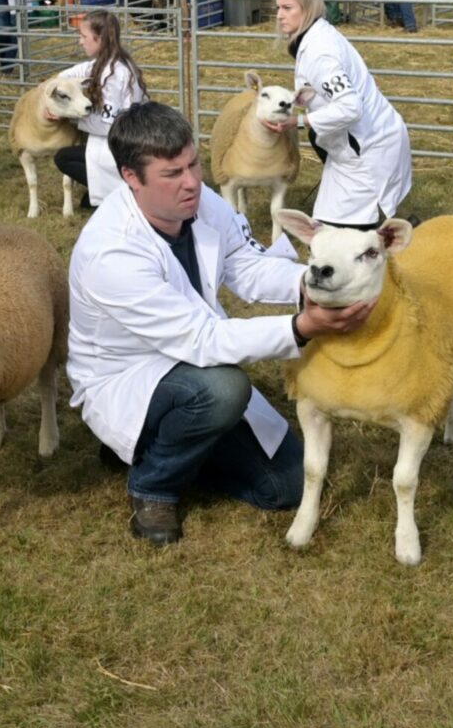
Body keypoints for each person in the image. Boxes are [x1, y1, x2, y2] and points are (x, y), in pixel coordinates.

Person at [66, 101, 374, 544]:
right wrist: (302, 328)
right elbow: (202, 338)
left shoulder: (199, 201)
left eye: (193, 164)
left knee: (283, 487)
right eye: (172, 174)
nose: (192, 182)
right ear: (131, 177)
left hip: (192, 360)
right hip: (130, 376)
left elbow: (246, 266)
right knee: (224, 390)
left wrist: (310, 285)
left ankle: (152, 446)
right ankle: (153, 484)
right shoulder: (111, 252)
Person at [278, 0, 412, 226]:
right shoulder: (317, 36)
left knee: (340, 238)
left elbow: (350, 107)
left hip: (367, 146)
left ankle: (401, 237)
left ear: (306, 9)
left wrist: (298, 120)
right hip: (358, 142)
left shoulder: (321, 52)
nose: (279, 15)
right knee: (327, 232)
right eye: (279, 7)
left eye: (287, 8)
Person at [55, 9, 149, 207]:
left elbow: (109, 126)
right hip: (122, 140)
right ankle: (106, 191)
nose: (80, 41)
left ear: (99, 38)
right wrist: (52, 85)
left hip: (125, 145)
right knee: (85, 200)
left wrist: (72, 118)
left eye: (83, 36)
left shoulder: (114, 75)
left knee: (63, 158)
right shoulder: (107, 62)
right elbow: (73, 73)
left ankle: (124, 192)